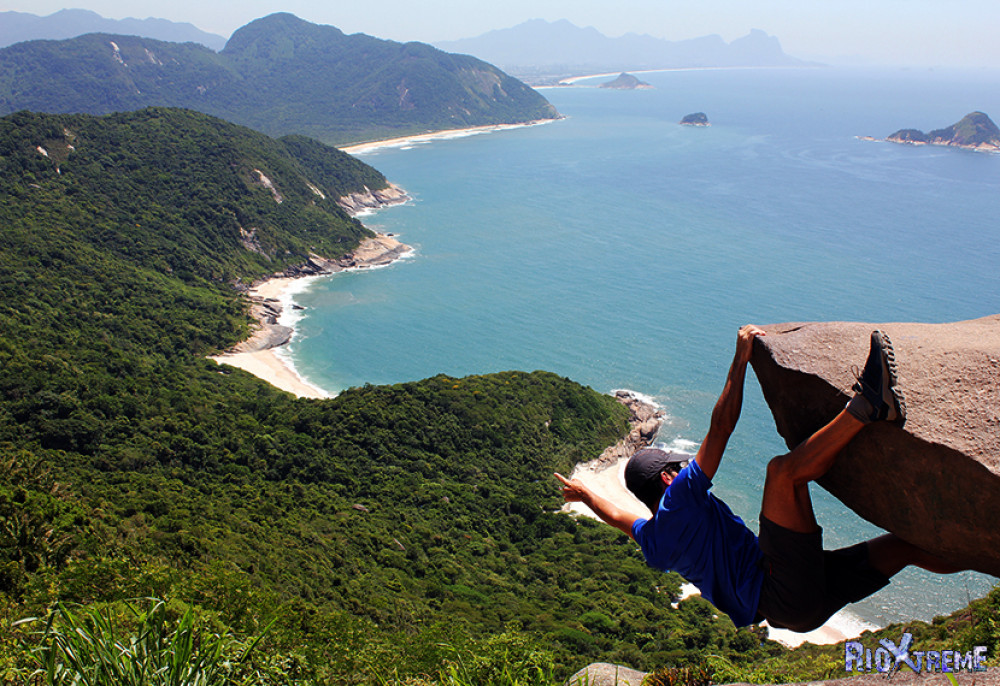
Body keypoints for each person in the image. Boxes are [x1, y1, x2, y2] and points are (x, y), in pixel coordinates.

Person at [555, 325, 961, 633]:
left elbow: (617, 517)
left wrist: (585, 495)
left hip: (794, 612)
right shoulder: (680, 498)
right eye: (675, 467)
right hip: (780, 588)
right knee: (780, 474)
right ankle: (871, 405)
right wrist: (740, 360)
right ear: (666, 479)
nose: (683, 468)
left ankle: (980, 558)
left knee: (905, 548)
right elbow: (721, 429)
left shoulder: (655, 543)